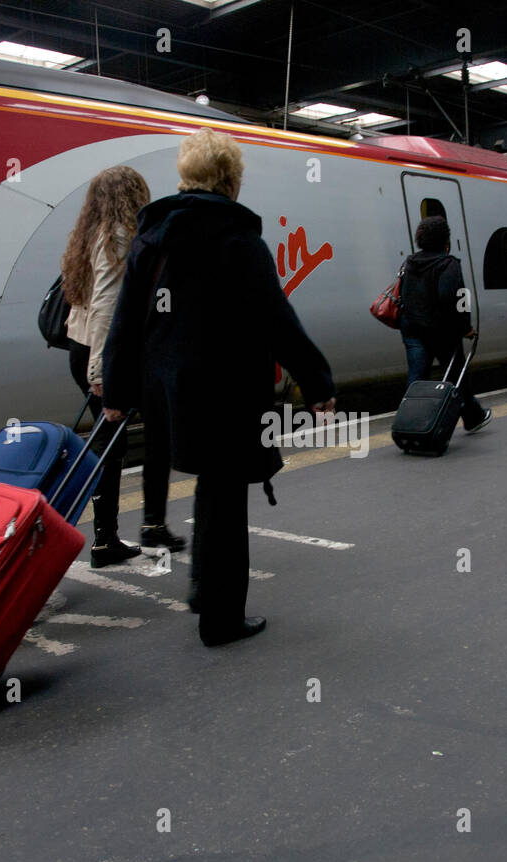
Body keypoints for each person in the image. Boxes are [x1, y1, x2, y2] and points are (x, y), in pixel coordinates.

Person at [101, 128, 335, 647]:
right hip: (227, 393)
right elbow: (277, 320)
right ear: (231, 179)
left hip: (169, 393)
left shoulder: (152, 238)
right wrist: (317, 382)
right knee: (224, 499)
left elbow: (125, 321)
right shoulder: (238, 240)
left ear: (187, 176)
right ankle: (221, 618)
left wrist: (116, 393)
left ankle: (206, 591)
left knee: (211, 488)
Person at [61, 166, 184, 567]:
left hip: (86, 348)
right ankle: (126, 533)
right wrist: (102, 373)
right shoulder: (116, 237)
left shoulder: (86, 236)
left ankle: (119, 534)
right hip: (109, 354)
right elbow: (106, 307)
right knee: (132, 441)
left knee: (116, 443)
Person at [398, 216, 492, 433]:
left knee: (416, 380)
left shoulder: (410, 263)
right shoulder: (449, 264)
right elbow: (456, 299)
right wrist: (465, 328)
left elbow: (404, 296)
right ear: (445, 240)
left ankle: (409, 424)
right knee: (456, 376)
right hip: (441, 332)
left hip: (412, 330)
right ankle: (473, 416)